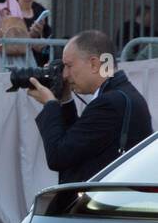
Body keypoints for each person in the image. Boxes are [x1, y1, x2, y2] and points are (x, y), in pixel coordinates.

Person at [27, 30, 153, 184]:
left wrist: (50, 104)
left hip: (106, 203)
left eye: (68, 65)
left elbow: (58, 156)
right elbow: (77, 143)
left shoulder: (110, 103)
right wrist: (65, 99)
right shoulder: (120, 94)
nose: (65, 75)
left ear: (94, 64)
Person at [10, 0, 52, 67]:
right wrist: (31, 37)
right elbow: (10, 44)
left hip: (38, 66)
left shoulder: (40, 10)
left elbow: (47, 38)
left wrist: (43, 44)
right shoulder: (10, 9)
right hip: (16, 67)